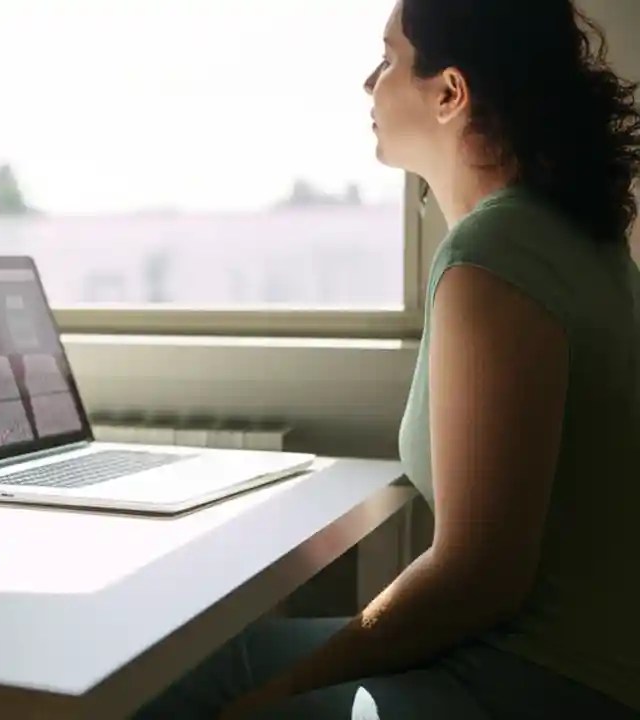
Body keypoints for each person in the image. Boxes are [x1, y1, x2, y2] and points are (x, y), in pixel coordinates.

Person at [135, 0, 640, 717]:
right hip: (577, 665)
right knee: (194, 669)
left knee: (179, 686)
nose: (369, 82)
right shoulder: (577, 243)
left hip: (543, 679)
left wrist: (284, 692)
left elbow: (478, 578)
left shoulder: (495, 257)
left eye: (389, 59)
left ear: (449, 93)